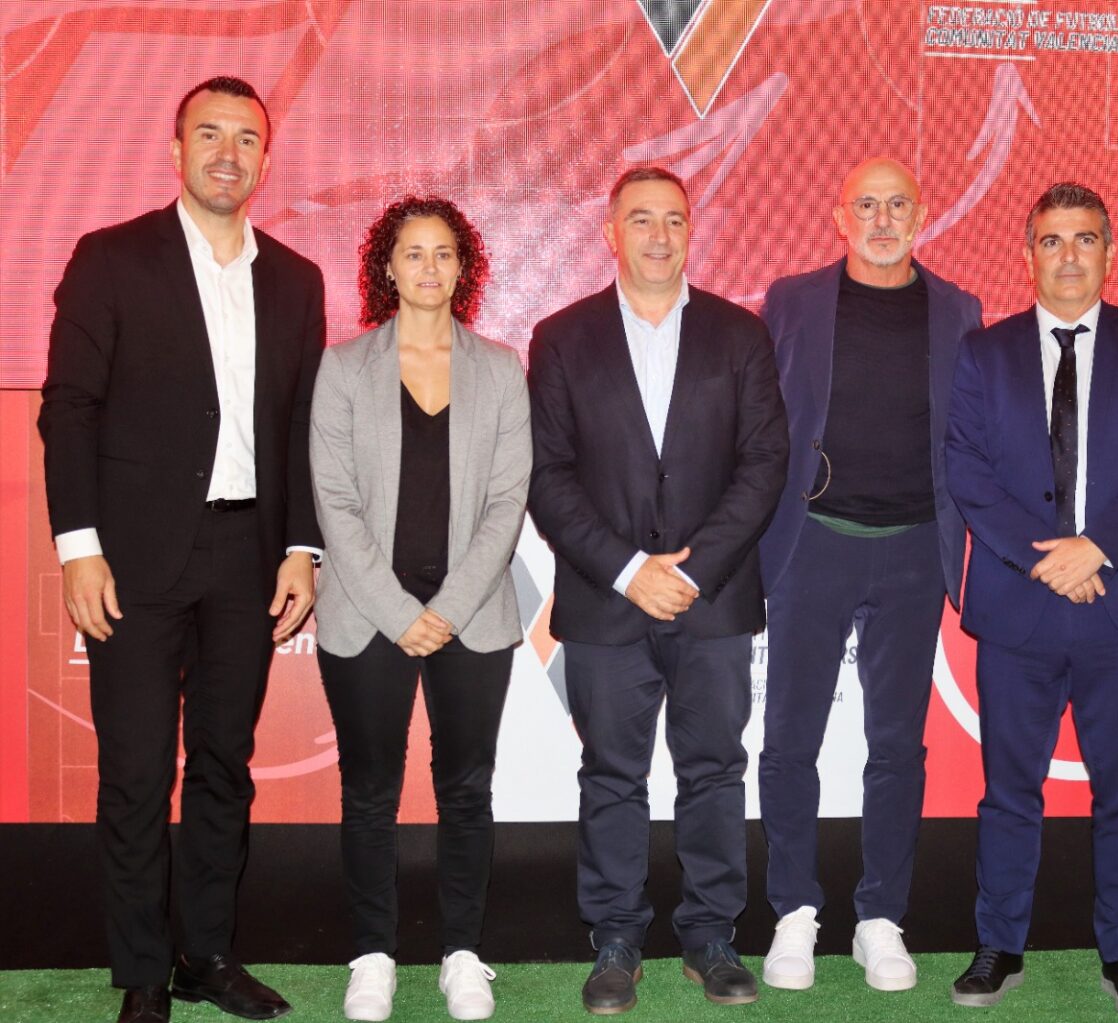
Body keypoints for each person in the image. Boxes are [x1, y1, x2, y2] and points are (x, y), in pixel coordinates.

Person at [37, 76, 323, 1023]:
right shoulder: (110, 258)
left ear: (265, 161)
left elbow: (297, 426)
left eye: (246, 138)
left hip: (250, 557)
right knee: (131, 773)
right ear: (176, 150)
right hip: (134, 560)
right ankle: (142, 974)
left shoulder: (295, 278)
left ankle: (206, 954)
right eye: (209, 133)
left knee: (222, 766)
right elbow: (67, 409)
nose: (227, 153)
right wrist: (79, 547)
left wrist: (300, 547)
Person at [526, 167, 788, 1014]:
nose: (659, 235)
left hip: (711, 601)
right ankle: (615, 939)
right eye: (641, 219)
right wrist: (631, 570)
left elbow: (764, 463)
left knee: (714, 770)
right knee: (611, 773)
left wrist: (691, 567)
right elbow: (549, 475)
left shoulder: (739, 334)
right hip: (607, 602)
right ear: (610, 231)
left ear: (689, 230)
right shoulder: (562, 338)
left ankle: (711, 936)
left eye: (674, 219)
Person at [945, 182, 1118, 1017]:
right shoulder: (984, 352)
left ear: (1110, 251)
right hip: (1020, 607)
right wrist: (1046, 559)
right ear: (1029, 254)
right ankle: (998, 945)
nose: (1069, 255)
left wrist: (1098, 549)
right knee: (1007, 790)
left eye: (1085, 239)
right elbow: (968, 471)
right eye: (1051, 241)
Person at [755, 156, 982, 992]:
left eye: (897, 205)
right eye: (866, 205)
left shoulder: (960, 309)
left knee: (896, 745)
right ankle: (793, 912)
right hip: (812, 543)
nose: (882, 219)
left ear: (922, 215)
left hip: (917, 550)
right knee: (789, 740)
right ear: (838, 216)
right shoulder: (792, 300)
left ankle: (881, 915)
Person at [308, 196, 530, 1022]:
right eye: (413, 252)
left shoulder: (502, 368)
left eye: (444, 253)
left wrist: (447, 606)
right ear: (387, 266)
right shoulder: (344, 367)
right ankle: (373, 955)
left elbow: (509, 500)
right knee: (370, 790)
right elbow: (334, 500)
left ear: (463, 268)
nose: (429, 267)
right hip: (369, 614)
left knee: (466, 788)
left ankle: (462, 954)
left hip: (474, 615)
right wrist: (402, 611)